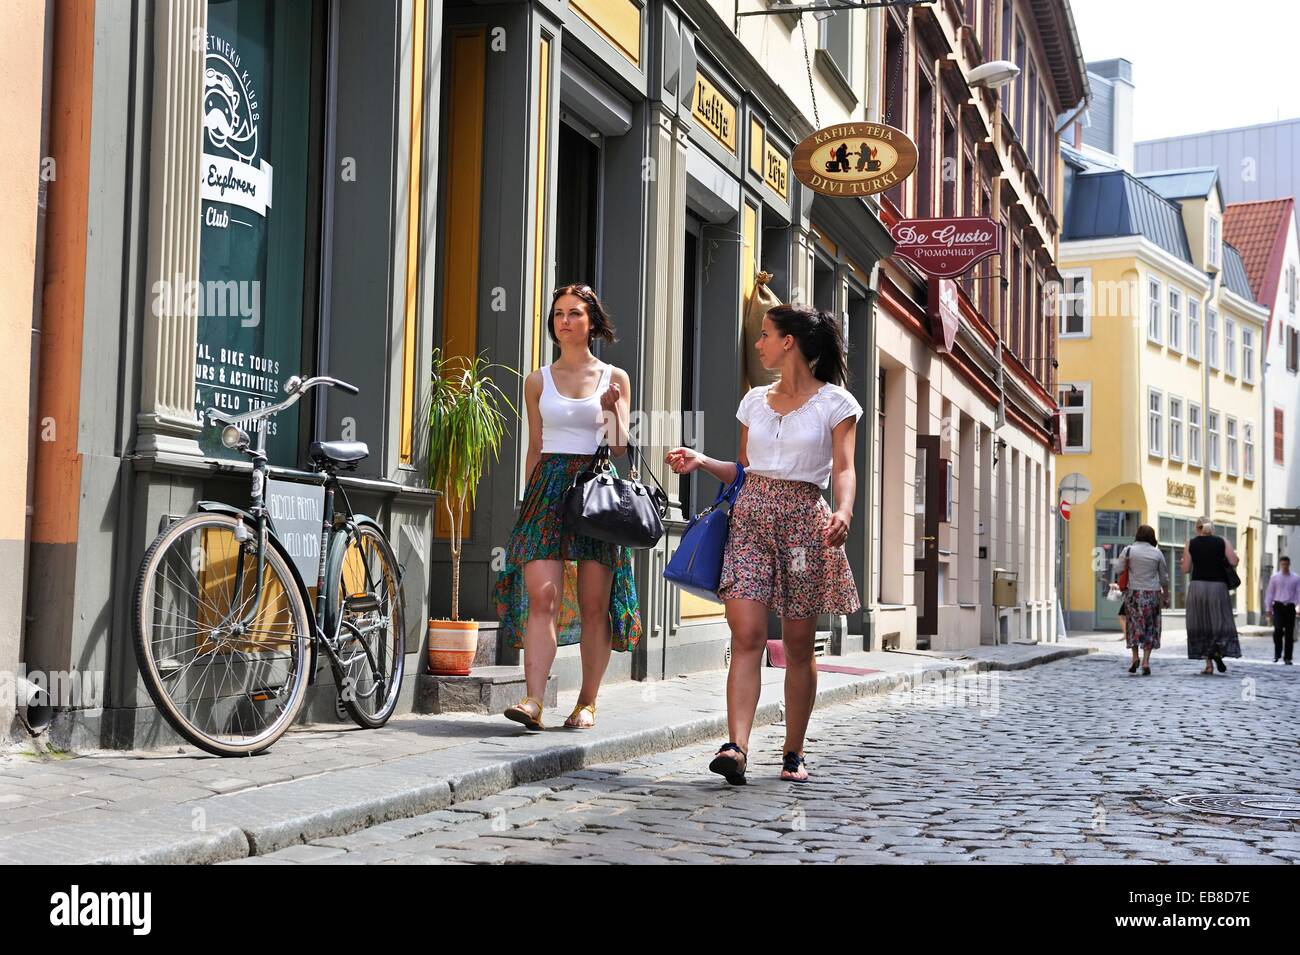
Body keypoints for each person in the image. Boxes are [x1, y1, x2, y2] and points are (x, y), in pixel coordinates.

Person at [666, 304, 862, 784]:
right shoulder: (753, 400)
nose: (759, 344)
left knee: (797, 644)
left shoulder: (837, 404)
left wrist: (843, 510)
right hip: (750, 521)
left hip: (802, 525)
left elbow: (843, 467)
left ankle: (793, 751)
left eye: (766, 335)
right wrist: (701, 460)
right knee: (747, 635)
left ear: (789, 342)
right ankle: (736, 746)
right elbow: (744, 471)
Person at [493, 284, 639, 730]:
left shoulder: (615, 378)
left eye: (574, 313)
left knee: (595, 604)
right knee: (544, 596)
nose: (564, 321)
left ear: (591, 322)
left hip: (595, 489)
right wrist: (526, 500)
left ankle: (587, 702)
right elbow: (535, 445)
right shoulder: (536, 380)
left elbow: (620, 449)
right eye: (558, 314)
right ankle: (534, 699)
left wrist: (614, 411)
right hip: (547, 488)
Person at [1179, 517, 1242, 675]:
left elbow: (1186, 569)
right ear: (1211, 528)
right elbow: (1233, 561)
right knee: (1219, 622)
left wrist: (1183, 562)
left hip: (1198, 587)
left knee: (1202, 623)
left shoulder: (1191, 543)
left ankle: (1209, 664)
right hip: (1218, 587)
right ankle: (1218, 652)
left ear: (1197, 528)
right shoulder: (1222, 541)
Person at [1113, 525, 1170, 675]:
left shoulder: (1129, 550)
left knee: (1133, 626)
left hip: (1134, 595)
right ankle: (1145, 661)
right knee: (1150, 627)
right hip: (1152, 595)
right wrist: (1166, 597)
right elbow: (1164, 578)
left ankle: (1134, 657)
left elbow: (1118, 570)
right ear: (1152, 537)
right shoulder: (1157, 553)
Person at [1263, 555, 1298, 664]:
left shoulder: (1295, 578)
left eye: (1286, 564)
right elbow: (1270, 593)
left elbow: (1298, 593)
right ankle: (1277, 654)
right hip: (1278, 606)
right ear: (1280, 564)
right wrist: (1268, 608)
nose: (1284, 566)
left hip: (1290, 607)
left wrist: (1298, 606)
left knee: (1289, 633)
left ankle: (1288, 657)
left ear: (1289, 564)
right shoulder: (1275, 578)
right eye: (1282, 564)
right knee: (1277, 631)